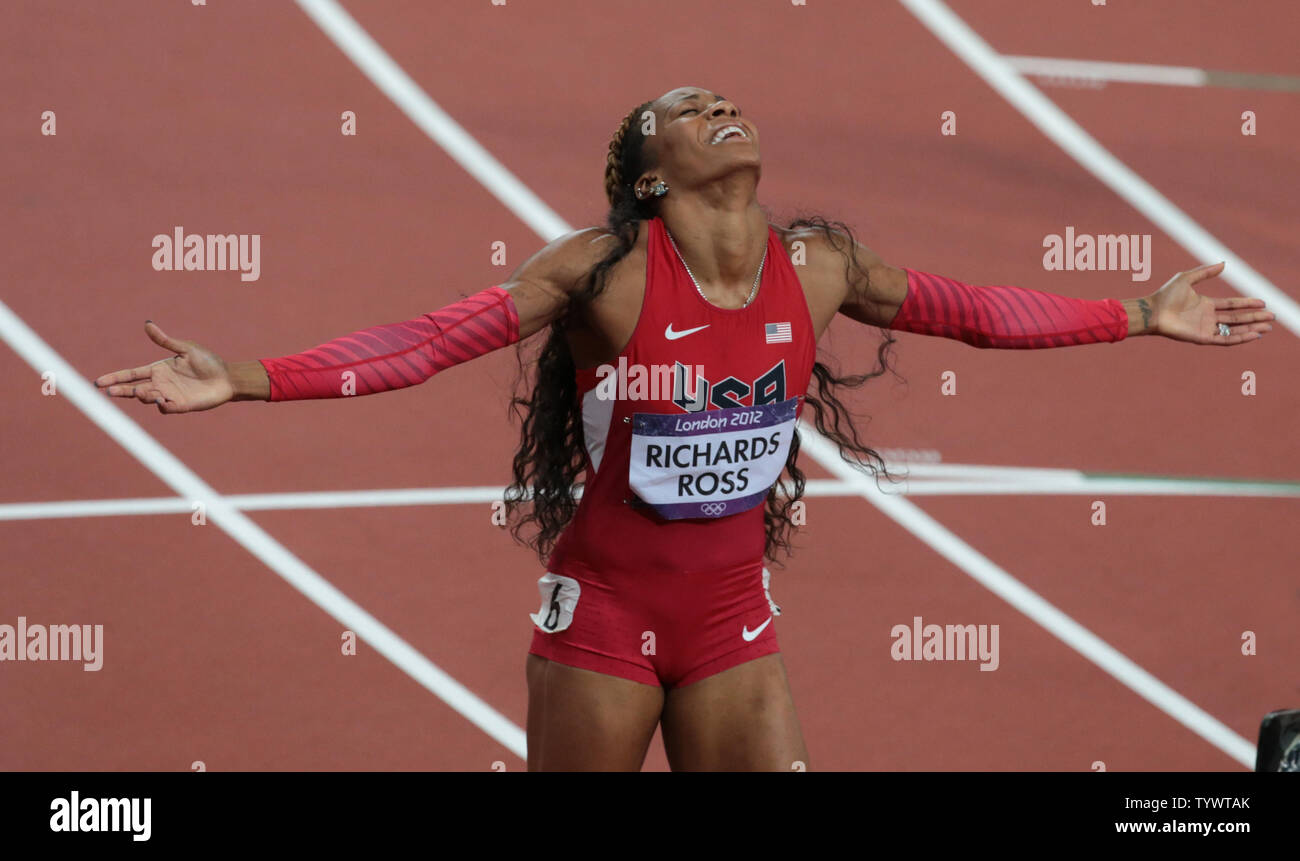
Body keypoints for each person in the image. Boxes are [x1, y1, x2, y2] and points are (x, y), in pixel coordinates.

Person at [96, 87, 1274, 771]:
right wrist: (245, 377)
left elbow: (973, 312)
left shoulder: (816, 267)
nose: (718, 107)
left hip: (730, 620)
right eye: (684, 113)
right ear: (649, 179)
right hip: (602, 622)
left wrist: (1135, 313)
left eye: (724, 99)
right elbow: (426, 340)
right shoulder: (602, 274)